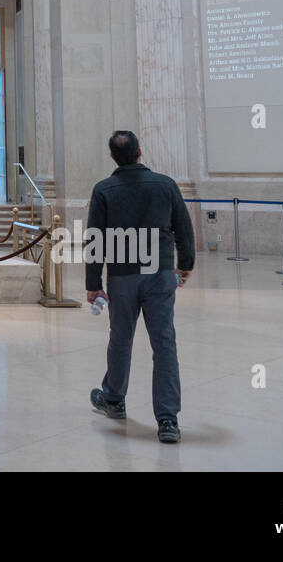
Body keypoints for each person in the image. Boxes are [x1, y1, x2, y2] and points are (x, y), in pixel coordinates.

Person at [86, 130, 195, 444]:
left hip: (121, 277)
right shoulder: (165, 185)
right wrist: (185, 265)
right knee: (164, 344)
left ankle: (114, 398)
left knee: (120, 338)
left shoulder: (104, 190)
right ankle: (168, 420)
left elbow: (95, 241)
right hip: (159, 273)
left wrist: (93, 284)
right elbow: (184, 229)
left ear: (112, 157)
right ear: (140, 152)